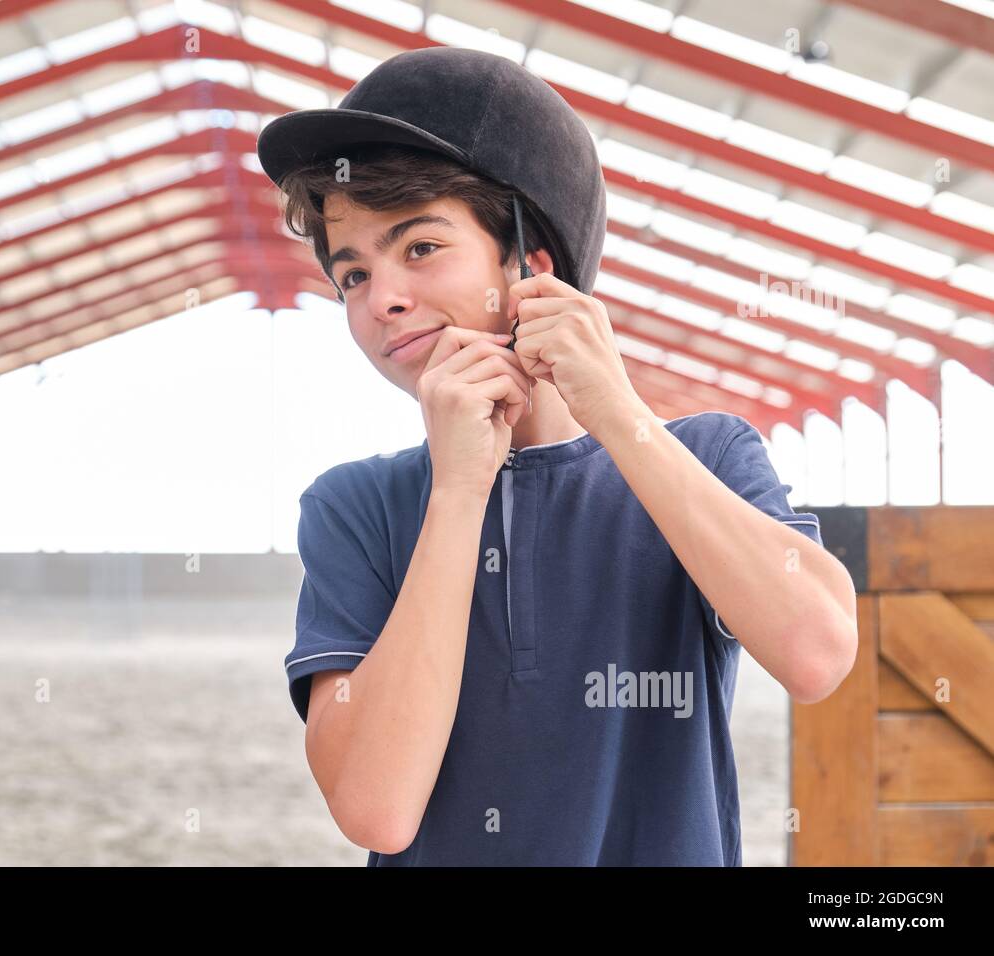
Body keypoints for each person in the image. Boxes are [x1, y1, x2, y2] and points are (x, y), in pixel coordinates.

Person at [257, 46, 858, 866]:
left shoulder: (709, 454)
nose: (381, 299)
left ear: (533, 265)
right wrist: (459, 493)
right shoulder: (357, 505)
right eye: (351, 274)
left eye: (420, 248)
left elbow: (817, 654)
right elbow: (377, 810)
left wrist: (616, 412)